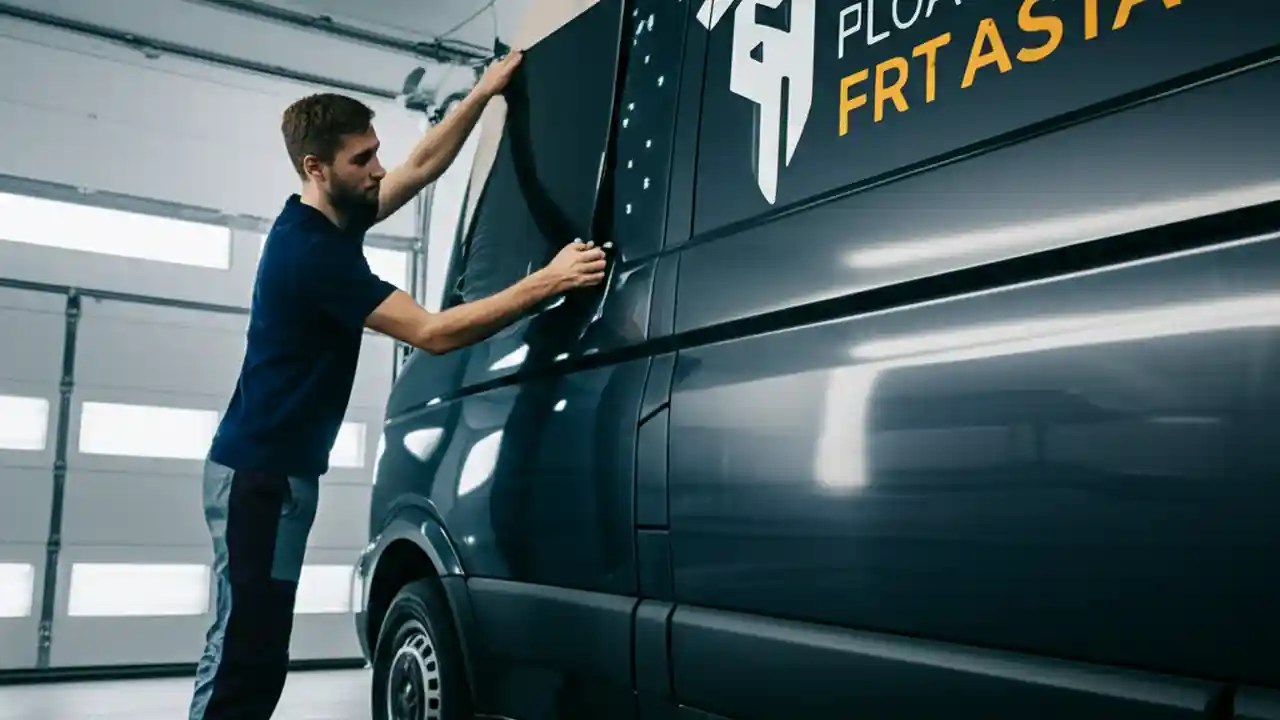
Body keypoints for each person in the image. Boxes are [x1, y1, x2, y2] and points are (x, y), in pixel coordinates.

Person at [187, 49, 607, 720]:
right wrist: (548, 281)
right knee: (246, 653)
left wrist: (483, 94)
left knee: (255, 646)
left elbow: (418, 167)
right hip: (257, 480)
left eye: (374, 151)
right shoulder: (313, 255)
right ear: (314, 169)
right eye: (362, 160)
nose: (378, 168)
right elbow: (433, 332)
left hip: (275, 475)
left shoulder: (331, 216)